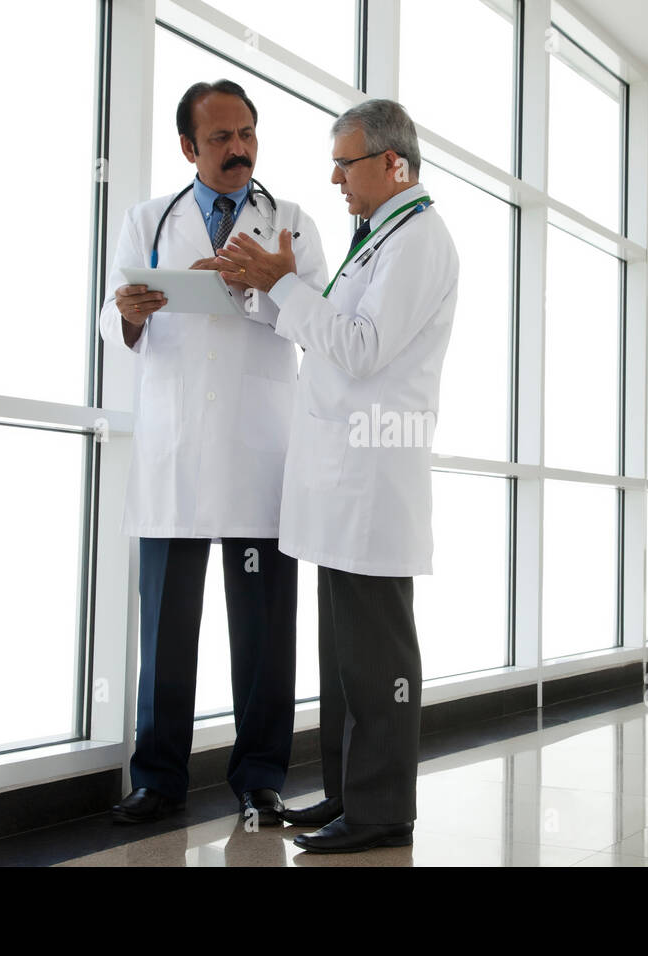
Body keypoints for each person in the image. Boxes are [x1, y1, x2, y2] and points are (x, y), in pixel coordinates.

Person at [217, 98, 459, 853]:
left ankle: (383, 812)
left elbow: (359, 348)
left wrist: (285, 286)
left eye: (345, 162)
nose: (333, 178)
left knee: (378, 654)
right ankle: (350, 795)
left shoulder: (419, 240)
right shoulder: (378, 237)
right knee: (347, 656)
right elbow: (332, 330)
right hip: (340, 477)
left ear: (393, 163)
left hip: (372, 479)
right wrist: (273, 286)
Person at [99, 79, 328, 826]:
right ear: (189, 147)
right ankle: (158, 779)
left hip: (260, 449)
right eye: (223, 137)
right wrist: (127, 316)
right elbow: (114, 315)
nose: (239, 149)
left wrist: (259, 285)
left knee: (264, 630)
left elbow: (318, 326)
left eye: (248, 134)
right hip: (176, 452)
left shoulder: (290, 223)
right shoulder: (147, 220)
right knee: (166, 632)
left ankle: (260, 778)